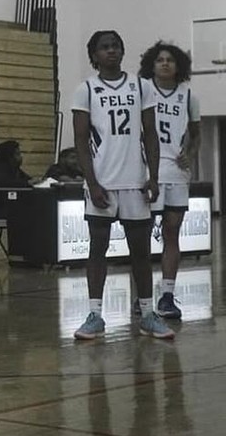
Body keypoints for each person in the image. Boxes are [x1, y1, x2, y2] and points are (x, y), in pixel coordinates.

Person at [72, 30, 173, 341]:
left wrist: (153, 176)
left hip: (135, 182)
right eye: (105, 47)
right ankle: (95, 315)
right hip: (102, 182)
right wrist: (92, 183)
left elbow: (151, 134)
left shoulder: (142, 86)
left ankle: (147, 314)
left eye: (115, 46)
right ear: (94, 55)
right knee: (97, 250)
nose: (111, 51)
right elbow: (80, 141)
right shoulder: (86, 89)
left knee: (141, 252)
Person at [138, 40, 201, 320]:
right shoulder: (141, 90)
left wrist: (190, 153)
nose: (165, 63)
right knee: (140, 236)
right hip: (147, 171)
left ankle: (166, 295)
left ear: (179, 66)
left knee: (172, 233)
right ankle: (141, 296)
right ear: (151, 65)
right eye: (160, 59)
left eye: (170, 60)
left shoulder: (188, 96)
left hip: (176, 172)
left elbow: (196, 135)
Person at [0, 140, 31, 219]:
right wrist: (27, 183)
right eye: (17, 154)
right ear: (9, 156)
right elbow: (7, 183)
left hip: (7, 206)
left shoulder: (13, 168)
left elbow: (26, 179)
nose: (21, 157)